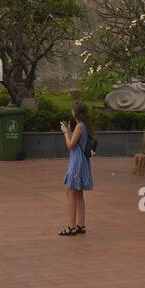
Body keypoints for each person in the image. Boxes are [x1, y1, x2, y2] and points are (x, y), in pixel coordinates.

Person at [59, 102, 95, 237]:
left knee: (71, 192)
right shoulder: (83, 126)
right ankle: (80, 224)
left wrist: (65, 133)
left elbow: (71, 145)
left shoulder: (80, 126)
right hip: (81, 161)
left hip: (77, 162)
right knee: (78, 193)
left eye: (73, 110)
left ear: (76, 113)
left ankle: (71, 226)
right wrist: (69, 130)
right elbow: (77, 140)